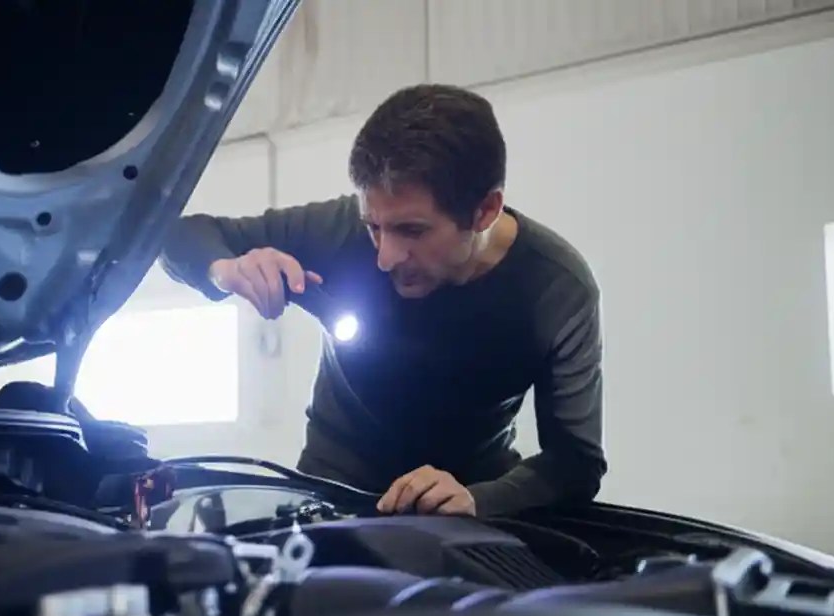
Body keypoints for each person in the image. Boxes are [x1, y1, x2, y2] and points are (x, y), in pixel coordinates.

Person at [159, 84, 606, 518]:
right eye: (374, 226)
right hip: (332, 495)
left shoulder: (557, 290)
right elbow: (177, 236)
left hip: (469, 510)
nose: (386, 256)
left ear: (484, 210)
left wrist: (480, 501)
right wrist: (226, 270)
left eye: (413, 231)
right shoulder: (337, 230)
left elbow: (575, 462)